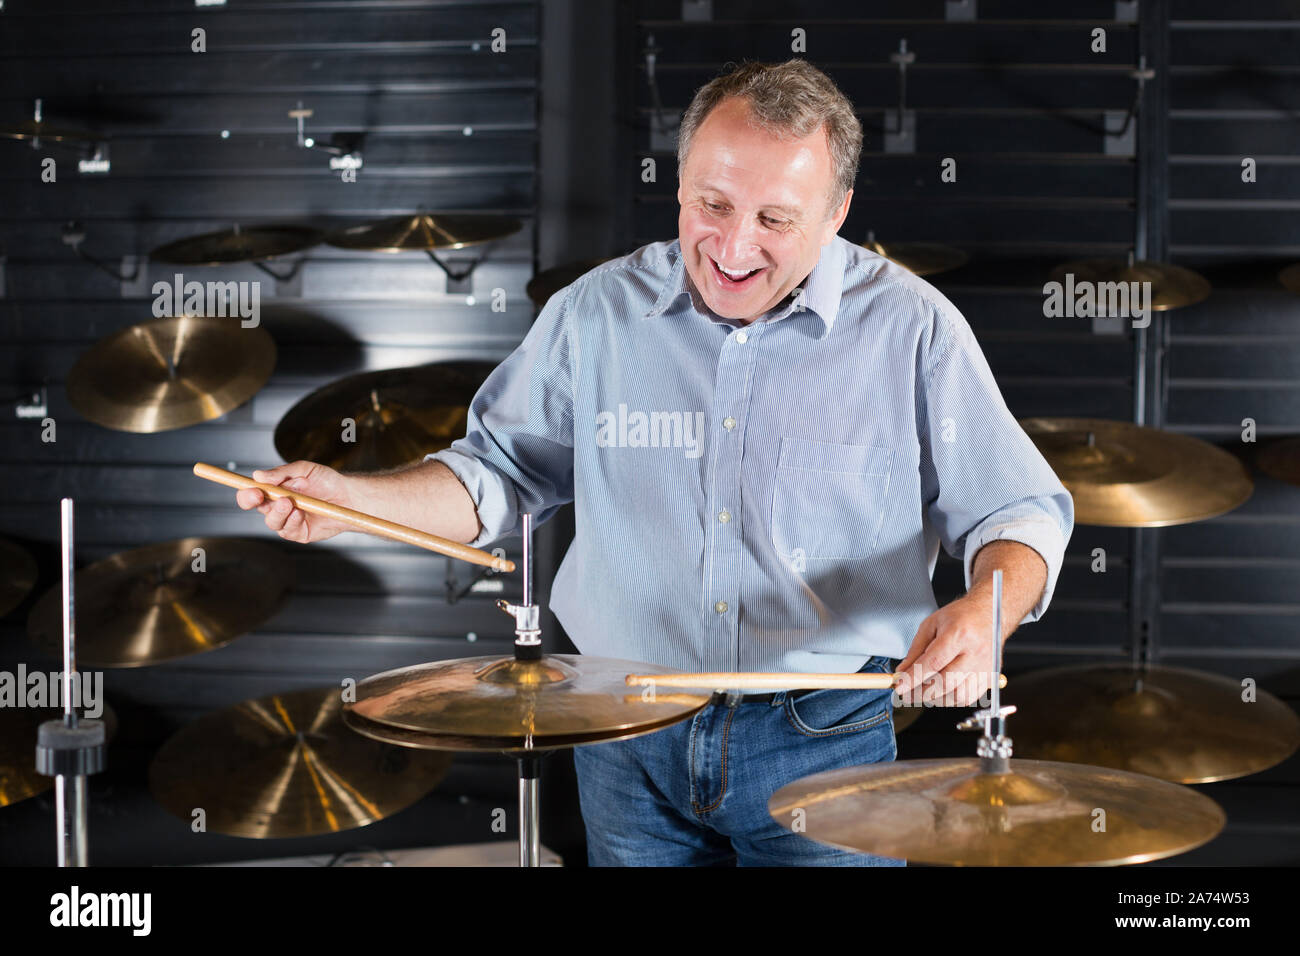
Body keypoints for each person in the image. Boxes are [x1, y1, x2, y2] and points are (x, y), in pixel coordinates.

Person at [235, 59, 1073, 866]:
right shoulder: (593, 315)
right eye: (712, 204)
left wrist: (985, 614)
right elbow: (498, 474)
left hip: (824, 732)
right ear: (679, 184)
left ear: (838, 210)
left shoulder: (914, 330)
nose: (734, 246)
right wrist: (353, 499)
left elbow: (1017, 512)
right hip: (622, 728)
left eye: (776, 219)